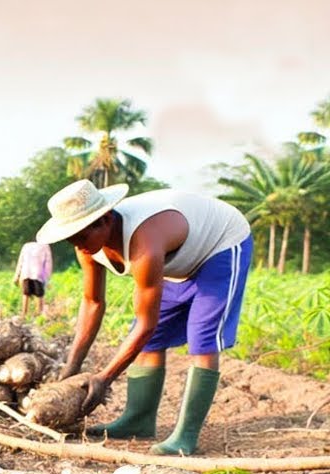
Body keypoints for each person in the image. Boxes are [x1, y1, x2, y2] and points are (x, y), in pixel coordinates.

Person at [36, 179, 253, 456]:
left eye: (80, 235)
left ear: (104, 220)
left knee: (202, 337)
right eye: (71, 239)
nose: (77, 245)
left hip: (221, 244)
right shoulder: (87, 248)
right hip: (180, 260)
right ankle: (138, 419)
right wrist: (71, 368)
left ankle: (186, 435)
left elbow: (145, 323)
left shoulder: (144, 243)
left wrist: (105, 378)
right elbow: (93, 303)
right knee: (152, 340)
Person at [12, 240, 53, 317]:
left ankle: (24, 314)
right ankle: (39, 315)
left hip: (26, 272)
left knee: (26, 293)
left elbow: (21, 261)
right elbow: (48, 263)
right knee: (39, 294)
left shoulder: (26, 246)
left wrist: (16, 276)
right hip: (39, 273)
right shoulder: (45, 246)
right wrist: (47, 279)